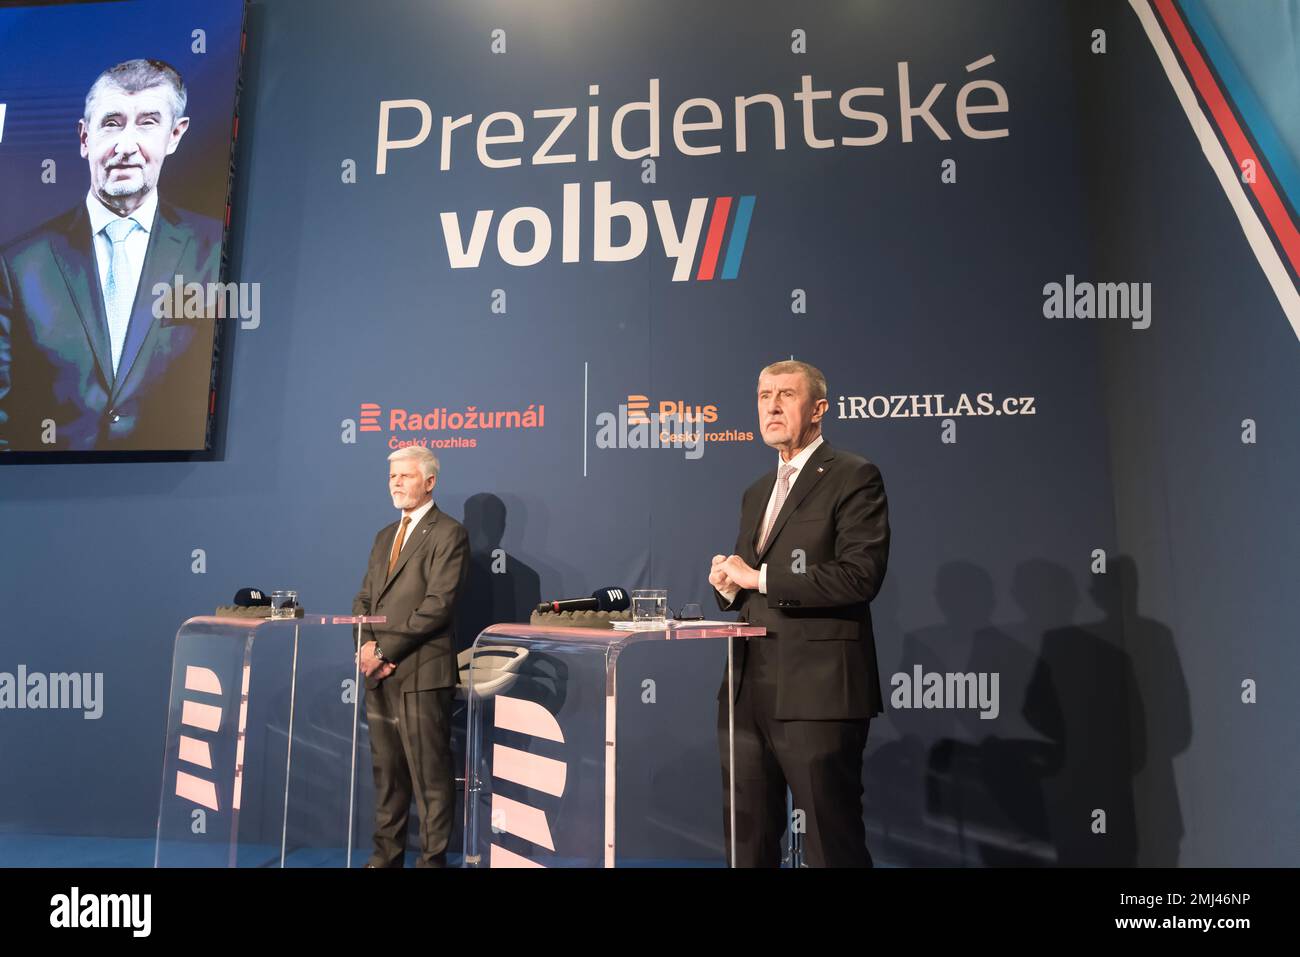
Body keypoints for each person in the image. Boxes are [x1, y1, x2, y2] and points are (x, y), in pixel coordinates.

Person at [709, 359, 890, 867]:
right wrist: (729, 585)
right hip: (746, 691)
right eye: (764, 395)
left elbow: (860, 577)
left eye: (787, 394)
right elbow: (750, 585)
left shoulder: (854, 475)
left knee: (831, 845)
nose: (771, 405)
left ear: (819, 409)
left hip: (818, 692)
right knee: (748, 844)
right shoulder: (756, 492)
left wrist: (760, 578)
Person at [0, 59, 221, 450]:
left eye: (147, 123)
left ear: (175, 135)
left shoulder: (214, 251)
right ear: (85, 138)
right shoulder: (18, 264)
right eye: (112, 123)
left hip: (178, 496)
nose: (125, 146)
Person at [352, 446, 470, 867]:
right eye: (392, 477)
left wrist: (385, 650)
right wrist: (365, 647)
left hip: (422, 672)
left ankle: (431, 862)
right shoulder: (385, 535)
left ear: (430, 482)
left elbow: (438, 605)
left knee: (430, 779)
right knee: (388, 776)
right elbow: (365, 597)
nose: (397, 483)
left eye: (405, 476)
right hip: (378, 674)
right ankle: (385, 858)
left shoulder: (448, 533)